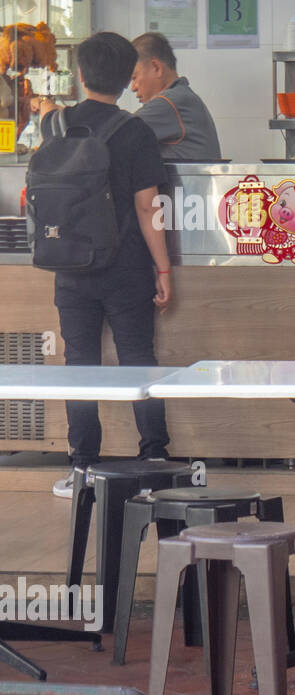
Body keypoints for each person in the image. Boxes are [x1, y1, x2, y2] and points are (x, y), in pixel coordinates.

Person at [37, 32, 172, 497]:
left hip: (68, 264)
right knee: (138, 360)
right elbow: (147, 207)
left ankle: (82, 468)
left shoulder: (53, 127)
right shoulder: (134, 131)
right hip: (126, 266)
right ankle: (153, 457)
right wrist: (164, 268)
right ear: (124, 77)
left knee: (81, 364)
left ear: (79, 75)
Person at [128, 32, 222, 162]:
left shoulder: (169, 102)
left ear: (156, 68)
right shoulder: (184, 97)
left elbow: (117, 134)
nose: (133, 87)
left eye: (134, 78)